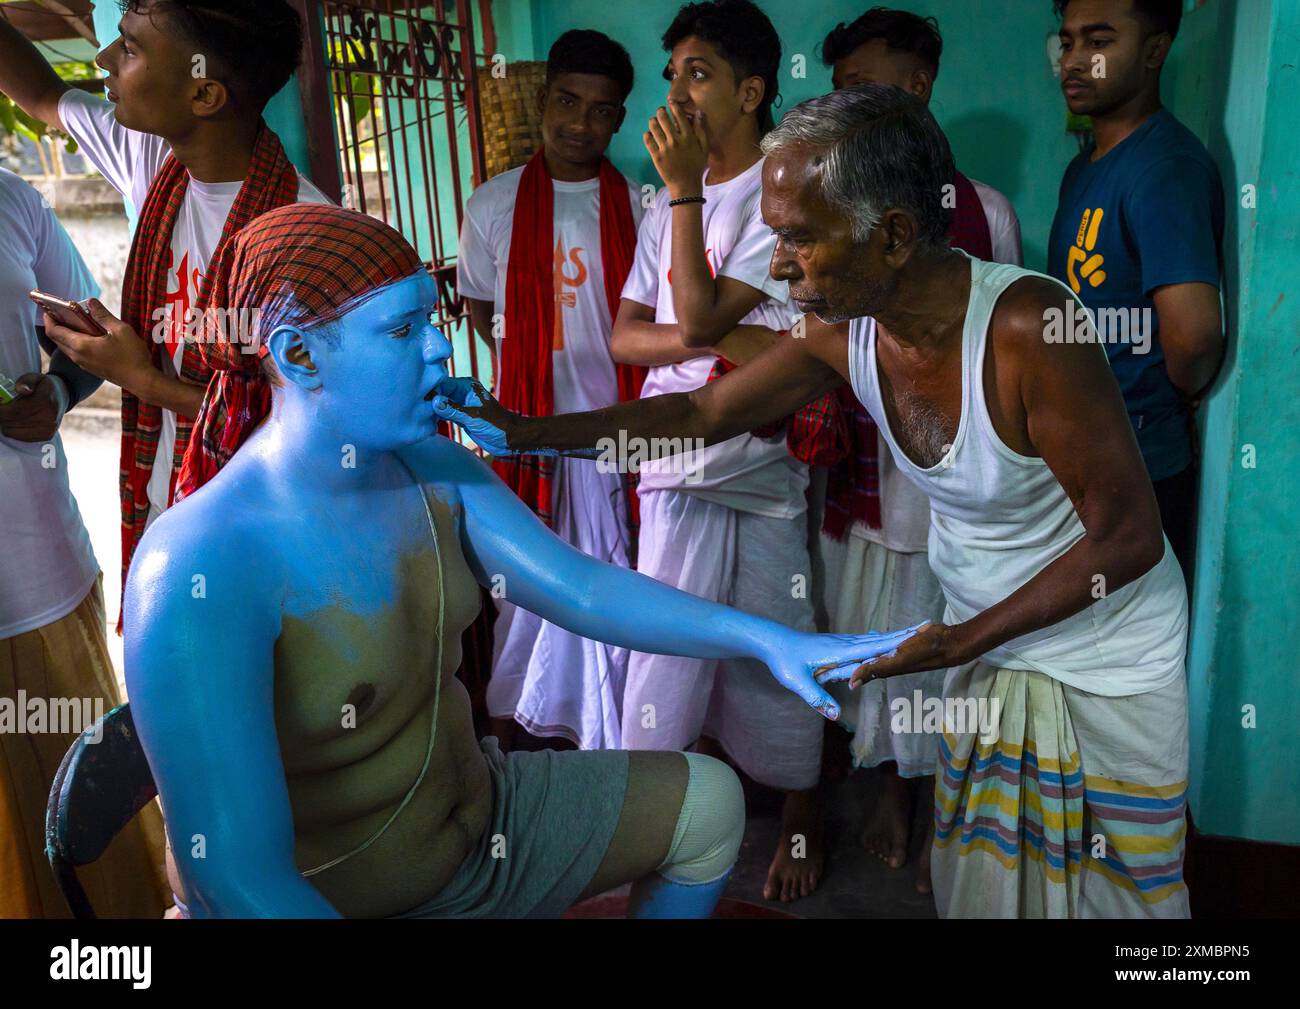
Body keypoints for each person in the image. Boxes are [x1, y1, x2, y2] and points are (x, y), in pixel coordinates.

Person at [434, 84, 1192, 918]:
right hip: (989, 636)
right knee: (994, 888)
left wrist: (956, 642)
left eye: (796, 238)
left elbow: (1128, 539)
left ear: (894, 236)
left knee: (1124, 899)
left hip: (1102, 657)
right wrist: (525, 430)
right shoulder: (845, 327)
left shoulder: (1027, 328)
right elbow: (699, 410)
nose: (780, 265)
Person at [123, 203, 902, 919]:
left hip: (487, 825)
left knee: (709, 804)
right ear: (297, 355)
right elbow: (238, 878)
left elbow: (585, 589)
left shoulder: (431, 464)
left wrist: (770, 639)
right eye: (401, 332)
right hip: (350, 903)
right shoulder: (200, 564)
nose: (440, 350)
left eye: (434, 318)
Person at [605, 0, 845, 904]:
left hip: (756, 446)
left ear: (752, 91)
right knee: (669, 633)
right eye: (671, 76)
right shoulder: (661, 196)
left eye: (697, 74)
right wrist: (718, 344)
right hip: (679, 446)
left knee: (777, 631)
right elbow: (629, 338)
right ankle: (670, 817)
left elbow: (699, 316)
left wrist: (709, 331)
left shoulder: (777, 192)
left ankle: (800, 811)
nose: (676, 95)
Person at [0, 0, 330, 616]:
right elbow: (42, 93)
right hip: (167, 502)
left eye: (128, 49)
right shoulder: (153, 161)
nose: (102, 61)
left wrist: (142, 379)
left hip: (262, 531)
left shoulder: (304, 236)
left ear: (203, 94)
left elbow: (308, 424)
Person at [816, 6, 1024, 892]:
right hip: (870, 462)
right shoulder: (833, 215)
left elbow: (1005, 335)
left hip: (962, 480)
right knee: (880, 626)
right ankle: (892, 784)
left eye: (867, 87)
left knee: (950, 624)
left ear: (919, 87)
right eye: (839, 91)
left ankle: (943, 786)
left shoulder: (988, 212)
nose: (849, 107)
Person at [457, 30, 645, 751]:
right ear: (544, 100)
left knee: (612, 576)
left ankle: (614, 728)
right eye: (567, 102)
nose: (579, 123)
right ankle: (526, 726)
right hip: (533, 430)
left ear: (619, 119)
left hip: (614, 432)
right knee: (529, 590)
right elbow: (481, 309)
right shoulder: (493, 204)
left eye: (601, 111)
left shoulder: (642, 205)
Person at [0, 165, 167, 918]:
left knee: (90, 837)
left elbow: (84, 336)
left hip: (40, 571)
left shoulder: (13, 199)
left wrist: (58, 393)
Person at [1050, 0, 1224, 581]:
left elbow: (1194, 338)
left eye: (1099, 43)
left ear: (1155, 50)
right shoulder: (1086, 167)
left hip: (1140, 467)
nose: (1075, 61)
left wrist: (1176, 393)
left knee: (1123, 654)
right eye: (1068, 42)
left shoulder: (1166, 168)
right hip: (1084, 455)